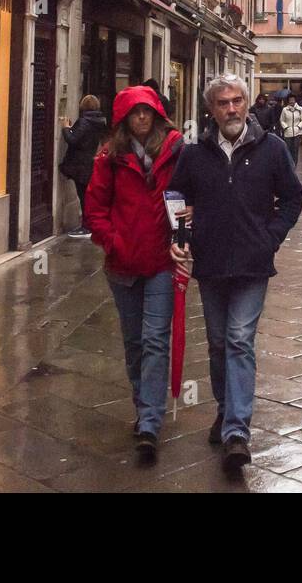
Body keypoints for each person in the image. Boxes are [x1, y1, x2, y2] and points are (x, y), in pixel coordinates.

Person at [168, 75, 302, 472]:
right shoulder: (194, 154)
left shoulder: (272, 149)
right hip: (210, 263)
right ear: (211, 109)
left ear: (247, 104)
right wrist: (180, 235)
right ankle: (227, 409)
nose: (231, 109)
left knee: (239, 339)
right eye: (223, 102)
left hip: (252, 262)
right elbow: (177, 197)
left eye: (237, 101)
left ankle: (237, 432)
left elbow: (293, 197)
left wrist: (271, 236)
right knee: (216, 342)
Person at [82, 86, 185, 462]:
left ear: (157, 115)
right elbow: (94, 207)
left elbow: (188, 198)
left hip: (160, 261)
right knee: (134, 342)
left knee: (156, 339)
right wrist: (112, 241)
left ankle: (150, 421)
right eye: (134, 113)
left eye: (147, 112)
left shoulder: (175, 151)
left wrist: (182, 236)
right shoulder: (110, 157)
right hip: (122, 264)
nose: (141, 118)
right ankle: (143, 403)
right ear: (124, 118)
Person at [60, 94, 109, 238]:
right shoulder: (100, 122)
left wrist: (66, 128)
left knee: (83, 195)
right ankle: (88, 224)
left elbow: (73, 139)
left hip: (79, 164)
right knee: (86, 195)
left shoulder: (84, 122)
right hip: (88, 162)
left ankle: (86, 226)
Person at [279, 93, 302, 165]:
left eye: (293, 100)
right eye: (290, 100)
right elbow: (282, 120)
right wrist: (286, 127)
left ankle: (294, 165)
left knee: (295, 150)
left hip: (297, 133)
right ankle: (289, 165)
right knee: (288, 150)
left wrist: (299, 127)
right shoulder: (285, 110)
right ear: (288, 101)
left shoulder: (300, 109)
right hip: (288, 133)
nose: (292, 101)